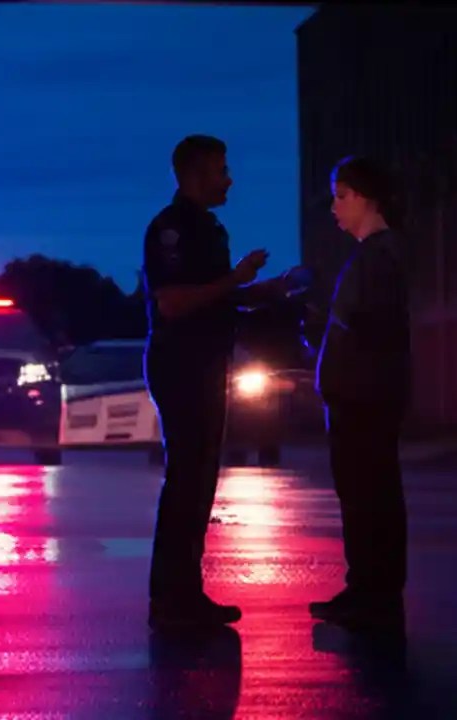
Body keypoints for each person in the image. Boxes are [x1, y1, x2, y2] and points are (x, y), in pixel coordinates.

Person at [141, 134, 295, 629]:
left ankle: (186, 591)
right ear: (193, 174)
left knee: (202, 477)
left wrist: (260, 292)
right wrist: (237, 280)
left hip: (208, 360)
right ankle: (171, 598)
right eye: (220, 170)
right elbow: (173, 301)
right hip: (181, 363)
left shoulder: (210, 229)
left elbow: (214, 298)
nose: (229, 179)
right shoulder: (172, 229)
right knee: (187, 477)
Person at [308, 156, 412, 631]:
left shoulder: (380, 256)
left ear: (366, 198)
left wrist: (340, 331)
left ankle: (374, 595)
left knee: (369, 496)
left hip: (365, 399)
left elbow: (375, 327)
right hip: (360, 396)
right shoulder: (374, 256)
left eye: (341, 195)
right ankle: (367, 590)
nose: (334, 206)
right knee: (364, 496)